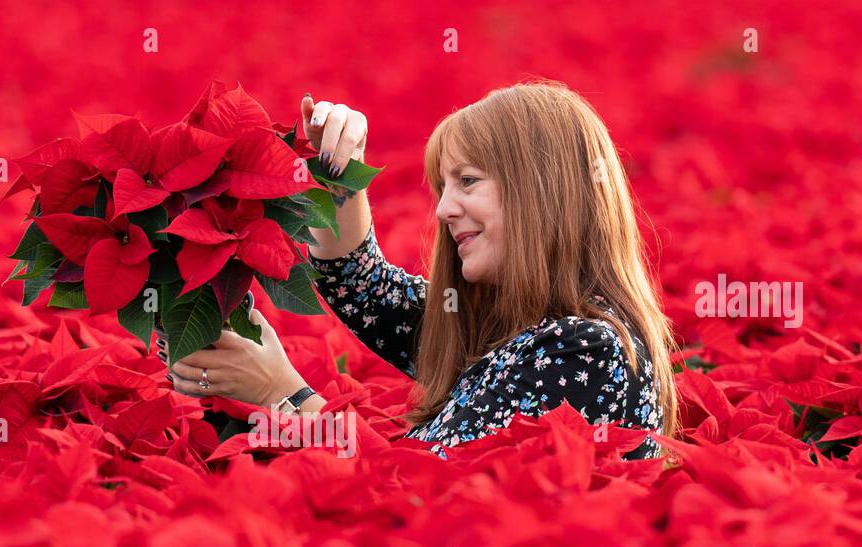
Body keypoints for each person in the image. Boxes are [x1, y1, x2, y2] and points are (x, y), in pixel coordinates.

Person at [168, 80, 678, 459]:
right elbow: (361, 286)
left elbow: (415, 484)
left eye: (468, 181)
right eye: (442, 188)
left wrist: (281, 394)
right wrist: (339, 169)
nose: (444, 210)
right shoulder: (504, 324)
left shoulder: (583, 349)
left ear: (545, 191)